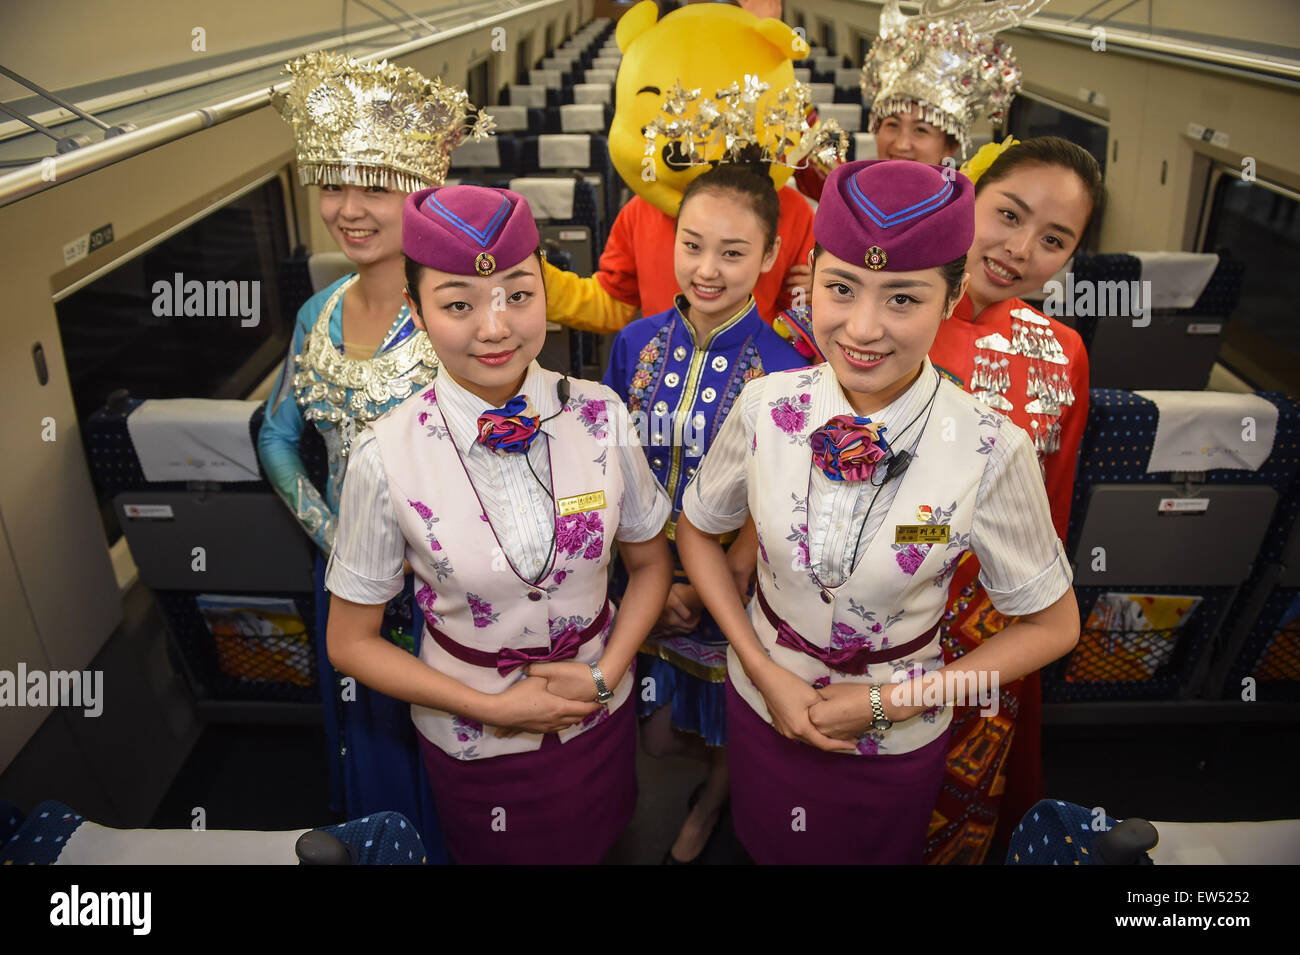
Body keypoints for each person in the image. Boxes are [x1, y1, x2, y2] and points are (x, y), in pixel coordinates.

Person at [675, 159, 1080, 864]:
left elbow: (1054, 624)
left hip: (898, 730)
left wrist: (886, 703)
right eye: (840, 289)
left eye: (902, 299)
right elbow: (697, 531)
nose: (863, 328)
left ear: (952, 296)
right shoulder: (767, 407)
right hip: (762, 698)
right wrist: (760, 667)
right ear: (811, 281)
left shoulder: (991, 447)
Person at [324, 184, 673, 864]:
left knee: (606, 840)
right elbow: (351, 642)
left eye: (519, 294)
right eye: (458, 304)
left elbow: (652, 565)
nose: (495, 326)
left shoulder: (603, 416)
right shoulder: (386, 454)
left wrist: (606, 673)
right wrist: (494, 709)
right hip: (473, 738)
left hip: (599, 716)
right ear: (416, 312)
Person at [259, 51, 489, 858]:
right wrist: (337, 537)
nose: (348, 209)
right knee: (366, 744)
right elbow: (278, 435)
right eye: (332, 183)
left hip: (442, 590)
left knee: (447, 749)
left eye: (374, 186)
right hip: (345, 588)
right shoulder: (316, 312)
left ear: (420, 190)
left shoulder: (462, 320)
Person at [602, 164, 804, 863]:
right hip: (639, 571)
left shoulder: (787, 368)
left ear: (771, 257)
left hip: (729, 580)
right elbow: (608, 462)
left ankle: (711, 807)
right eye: (692, 245)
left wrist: (712, 578)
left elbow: (778, 495)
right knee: (656, 734)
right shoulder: (634, 344)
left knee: (731, 726)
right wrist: (640, 579)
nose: (707, 268)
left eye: (733, 251)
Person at [923, 134, 1103, 863]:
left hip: (986, 625)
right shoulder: (880, 305)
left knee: (951, 811)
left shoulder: (1064, 353)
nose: (1021, 248)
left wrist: (1019, 637)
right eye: (1009, 214)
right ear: (969, 193)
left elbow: (1051, 512)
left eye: (1053, 238)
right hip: (856, 609)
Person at [860, 0, 1048, 164]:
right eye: (892, 125)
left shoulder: (970, 205)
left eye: (921, 130)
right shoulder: (844, 193)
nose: (901, 145)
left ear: (950, 147)